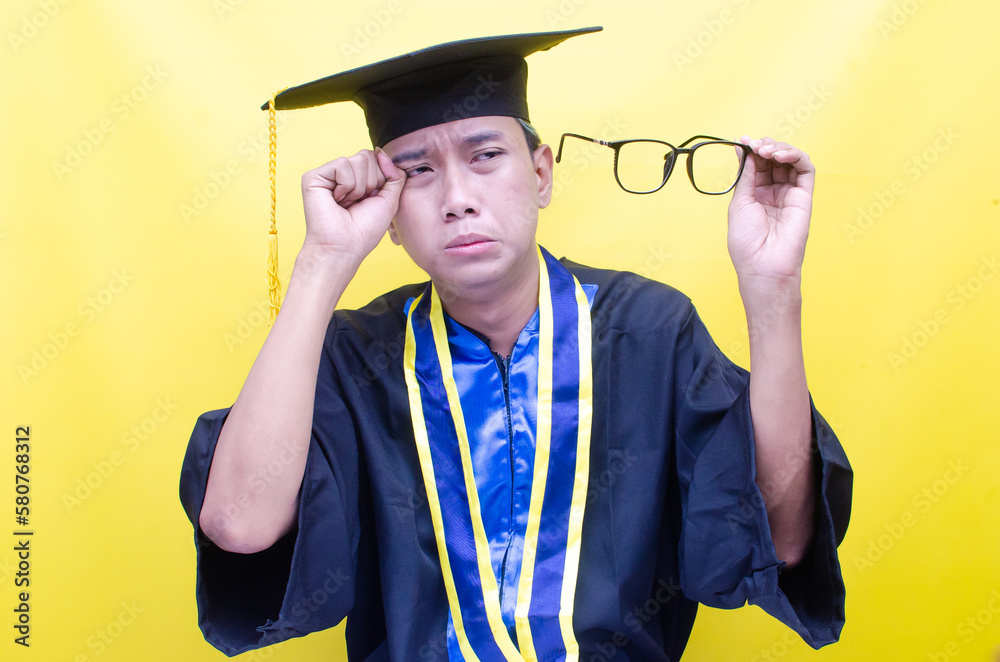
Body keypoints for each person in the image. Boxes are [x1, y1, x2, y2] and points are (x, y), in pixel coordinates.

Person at [179, 26, 852, 661]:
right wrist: (321, 263)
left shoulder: (649, 333)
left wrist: (773, 291)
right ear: (386, 210)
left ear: (542, 173)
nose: (458, 197)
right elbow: (240, 524)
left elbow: (783, 538)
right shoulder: (357, 358)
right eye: (416, 171)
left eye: (485, 155)